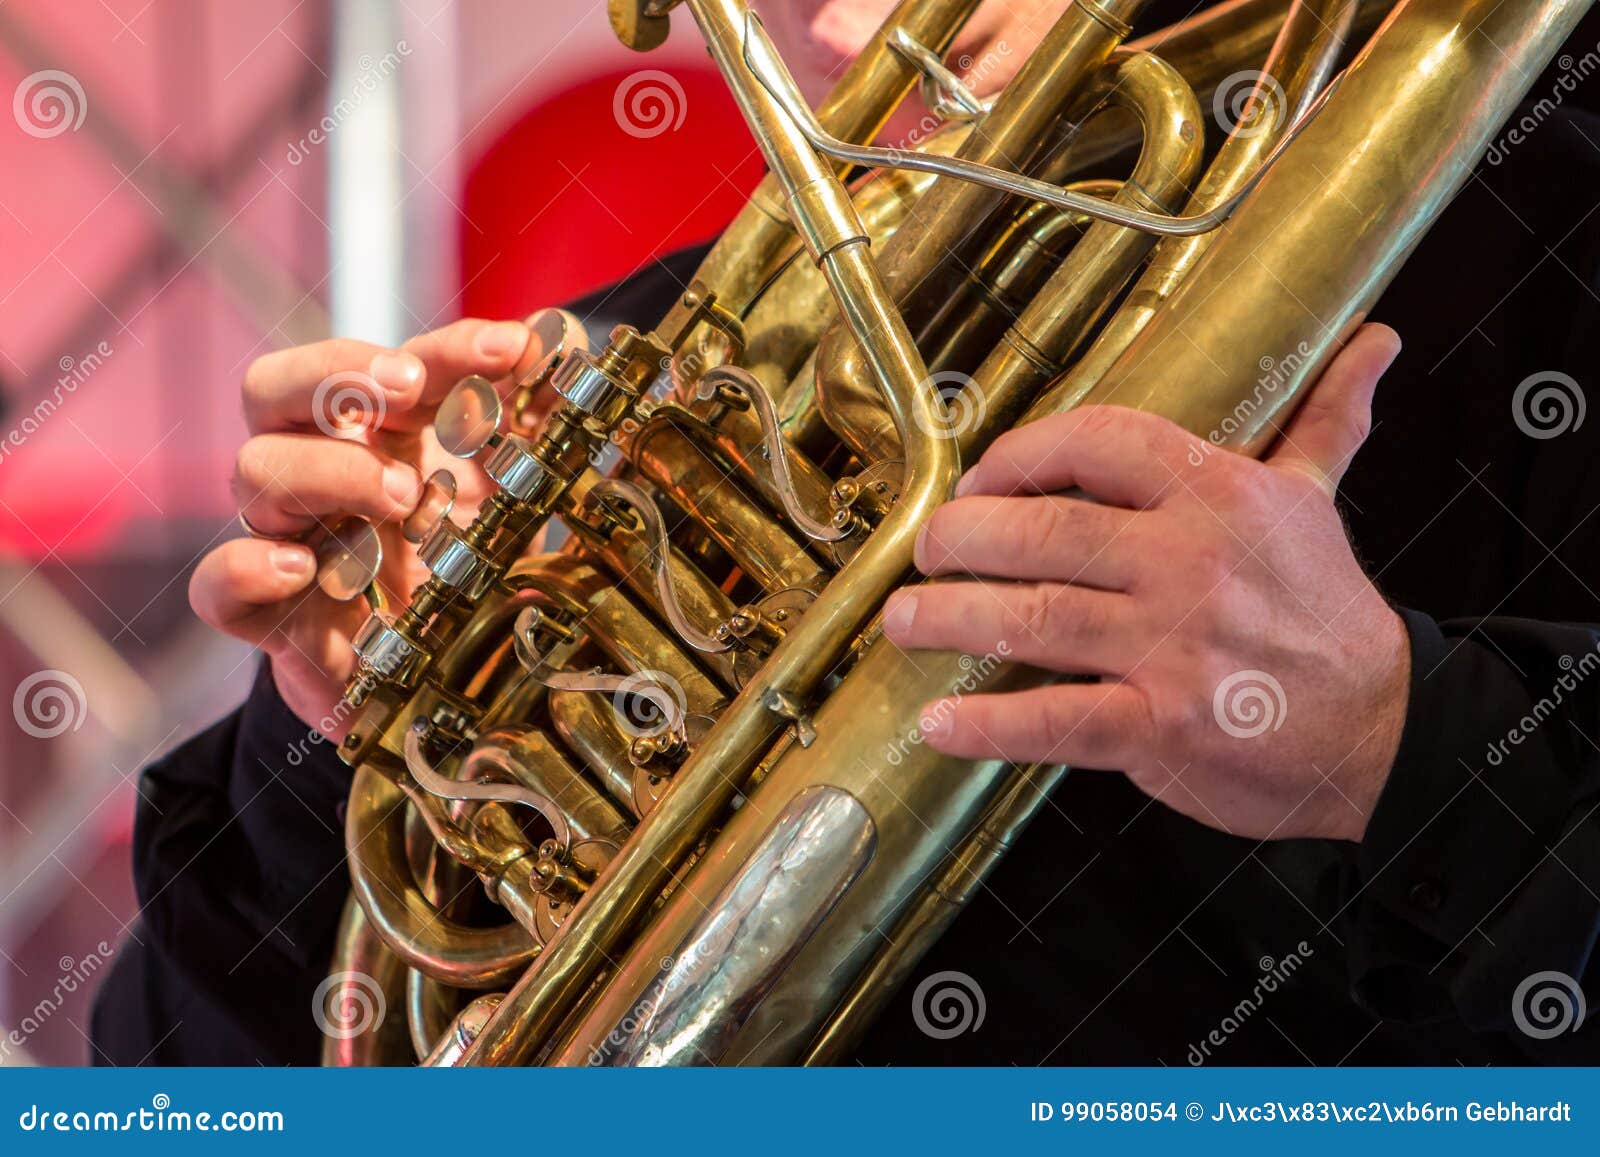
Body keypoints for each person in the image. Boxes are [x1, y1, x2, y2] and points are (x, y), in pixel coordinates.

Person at [91, 0, 1600, 1066]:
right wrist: (351, 734)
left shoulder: (1549, 256)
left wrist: (1399, 739)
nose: (829, 29)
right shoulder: (636, 371)